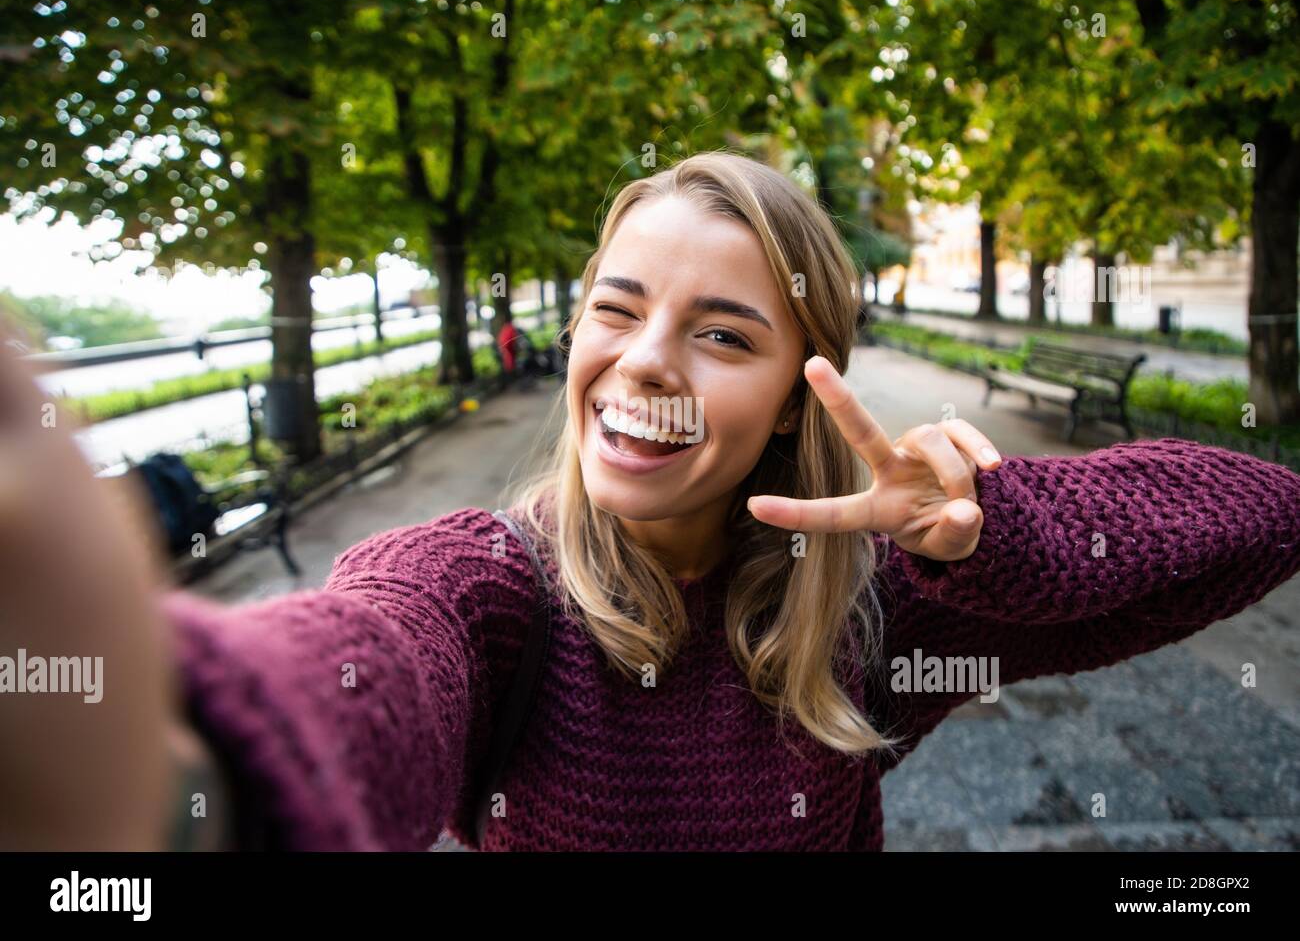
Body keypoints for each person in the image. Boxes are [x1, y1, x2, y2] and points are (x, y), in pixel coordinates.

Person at [1, 151, 1298, 851]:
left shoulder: (876, 609)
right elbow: (366, 667)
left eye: (725, 336)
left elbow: (1258, 516)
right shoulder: (488, 589)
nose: (643, 362)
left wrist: (995, 524)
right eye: (616, 310)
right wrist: (168, 765)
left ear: (801, 393)